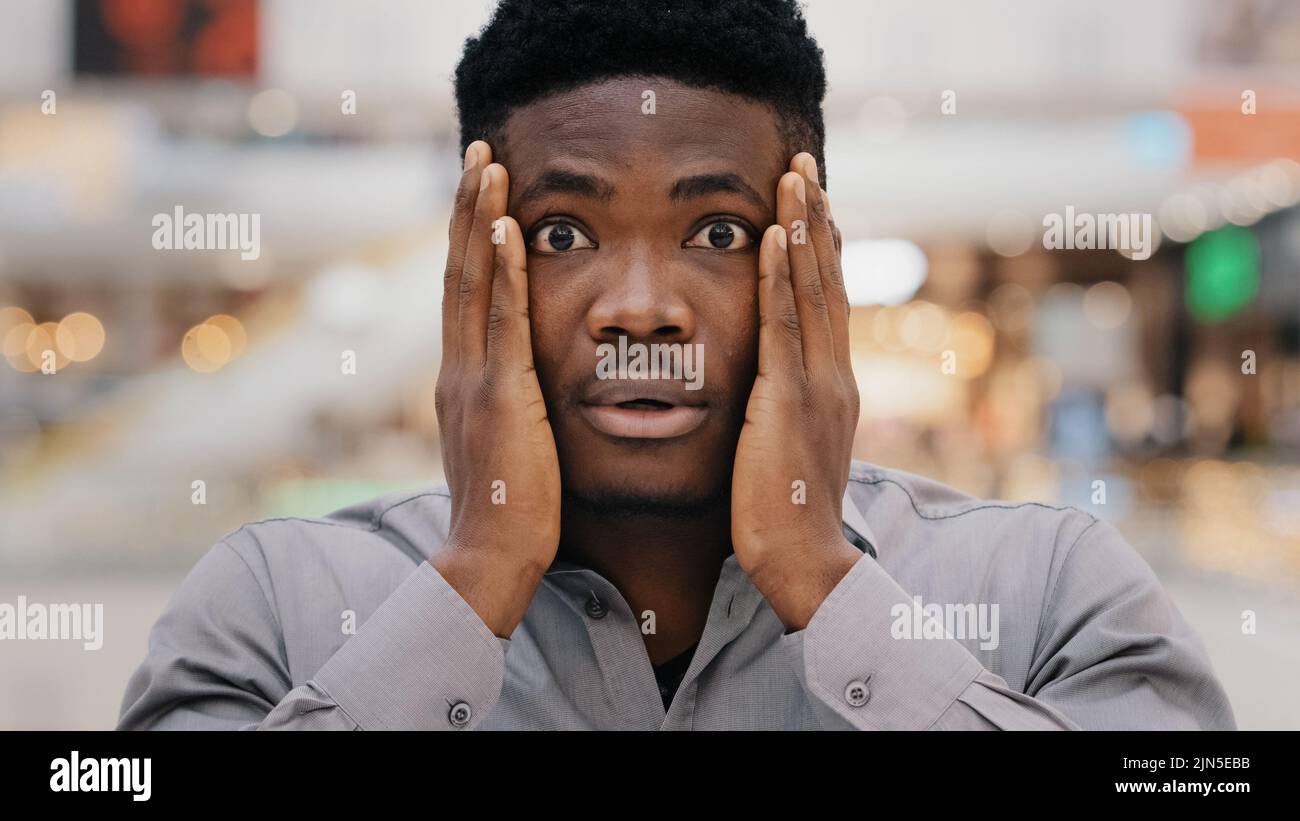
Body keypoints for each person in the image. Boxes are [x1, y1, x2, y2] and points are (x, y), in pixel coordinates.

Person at [118, 0, 1235, 730]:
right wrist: (473, 581)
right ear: (475, 256)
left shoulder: (1047, 593)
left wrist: (820, 576)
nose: (642, 307)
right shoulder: (273, 604)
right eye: (562, 232)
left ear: (812, 260)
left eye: (716, 233)